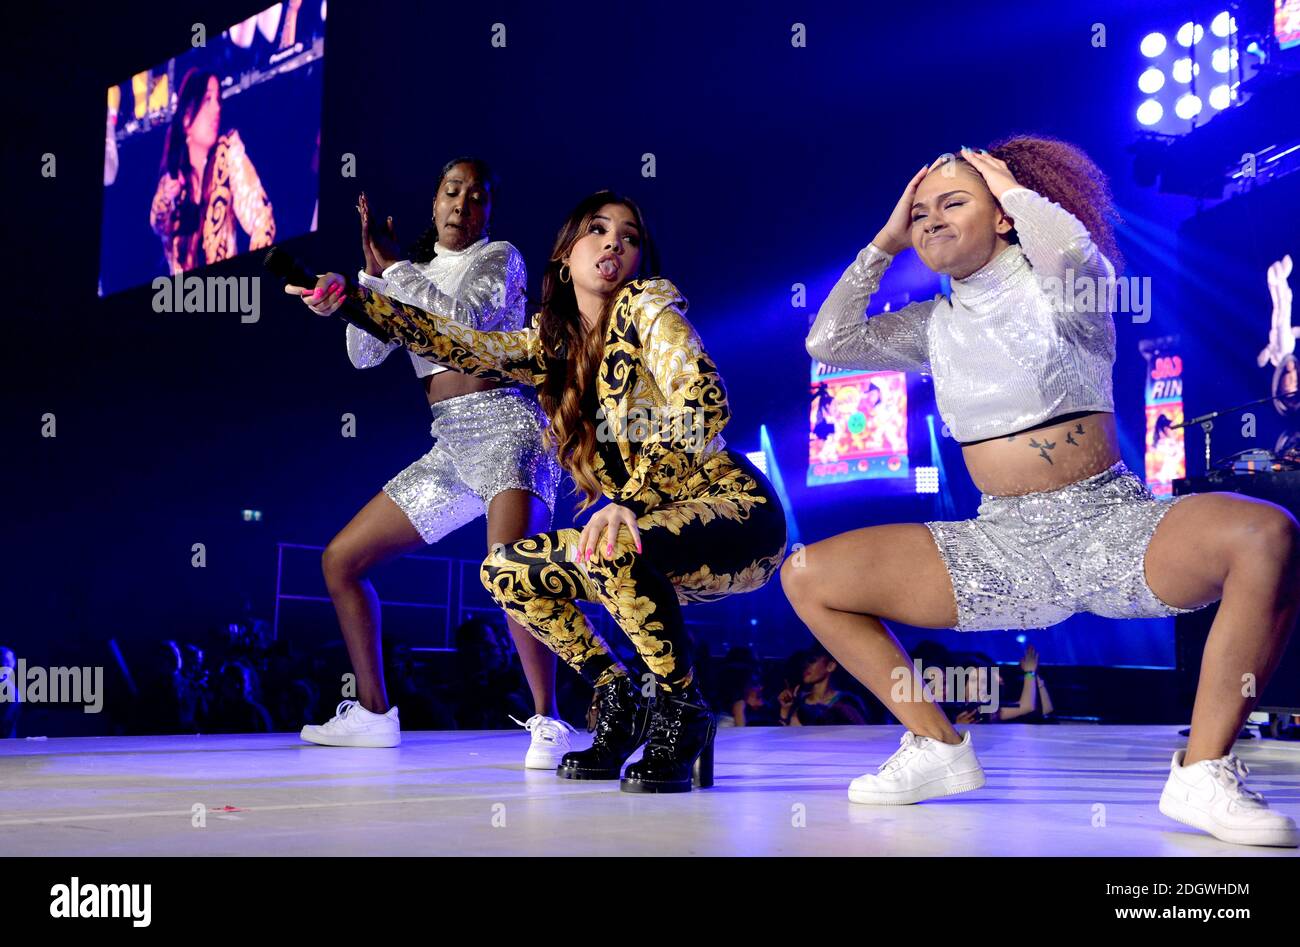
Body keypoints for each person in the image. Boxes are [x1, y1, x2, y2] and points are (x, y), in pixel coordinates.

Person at [787, 138, 1299, 847]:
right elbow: (828, 340)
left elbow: (1070, 256)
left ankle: (1201, 772)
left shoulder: (1066, 292)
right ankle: (937, 746)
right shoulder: (932, 326)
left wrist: (1010, 186)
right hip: (996, 547)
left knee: (1267, 533)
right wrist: (883, 240)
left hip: (1111, 526)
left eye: (954, 202)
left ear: (1003, 214)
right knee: (806, 573)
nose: (930, 220)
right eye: (921, 212)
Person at [291, 190, 788, 792]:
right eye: (598, 230)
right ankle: (618, 699)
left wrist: (628, 498)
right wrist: (353, 305)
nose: (613, 243)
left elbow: (703, 405)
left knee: (609, 548)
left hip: (732, 515)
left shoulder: (648, 309)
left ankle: (682, 716)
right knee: (505, 573)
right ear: (566, 255)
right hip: (639, 538)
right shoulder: (552, 347)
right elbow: (454, 342)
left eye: (629, 236)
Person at [297, 158, 570, 768]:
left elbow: (465, 325)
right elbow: (365, 355)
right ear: (434, 201)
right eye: (453, 192)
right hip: (450, 446)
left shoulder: (501, 258)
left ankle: (550, 721)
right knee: (342, 561)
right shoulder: (407, 271)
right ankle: (372, 713)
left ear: (487, 211)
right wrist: (363, 285)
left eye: (477, 197)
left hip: (509, 429)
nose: (462, 204)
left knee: (511, 574)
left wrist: (393, 270)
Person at [149, 68, 275, 273]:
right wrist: (166, 199)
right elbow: (157, 224)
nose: (217, 108)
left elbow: (262, 218)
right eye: (208, 99)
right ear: (186, 118)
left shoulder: (227, 153)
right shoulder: (172, 181)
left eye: (218, 100)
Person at [778, 644, 868, 726]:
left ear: (830, 666)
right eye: (805, 661)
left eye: (812, 660)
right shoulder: (797, 701)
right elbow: (786, 738)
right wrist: (785, 711)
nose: (806, 665)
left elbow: (863, 733)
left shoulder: (847, 702)